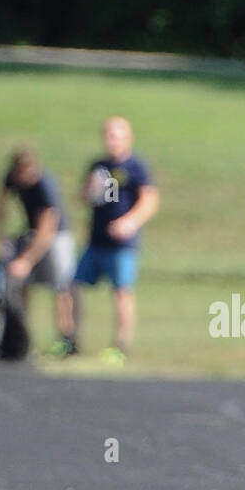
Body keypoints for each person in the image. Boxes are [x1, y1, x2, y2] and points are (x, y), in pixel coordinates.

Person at [70, 116, 159, 363]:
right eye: (108, 135)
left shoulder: (136, 167)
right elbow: (83, 197)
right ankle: (70, 340)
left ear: (127, 138)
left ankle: (120, 346)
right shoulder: (98, 166)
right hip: (96, 240)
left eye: (116, 135)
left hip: (122, 244)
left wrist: (129, 222)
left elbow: (150, 200)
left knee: (121, 292)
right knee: (73, 285)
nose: (111, 140)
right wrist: (89, 190)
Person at [0, 149, 77, 358]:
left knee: (60, 285)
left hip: (56, 235)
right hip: (33, 232)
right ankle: (21, 337)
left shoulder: (45, 185)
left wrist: (27, 260)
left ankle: (67, 340)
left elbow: (48, 227)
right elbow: (1, 207)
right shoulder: (11, 179)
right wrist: (2, 238)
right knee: (21, 286)